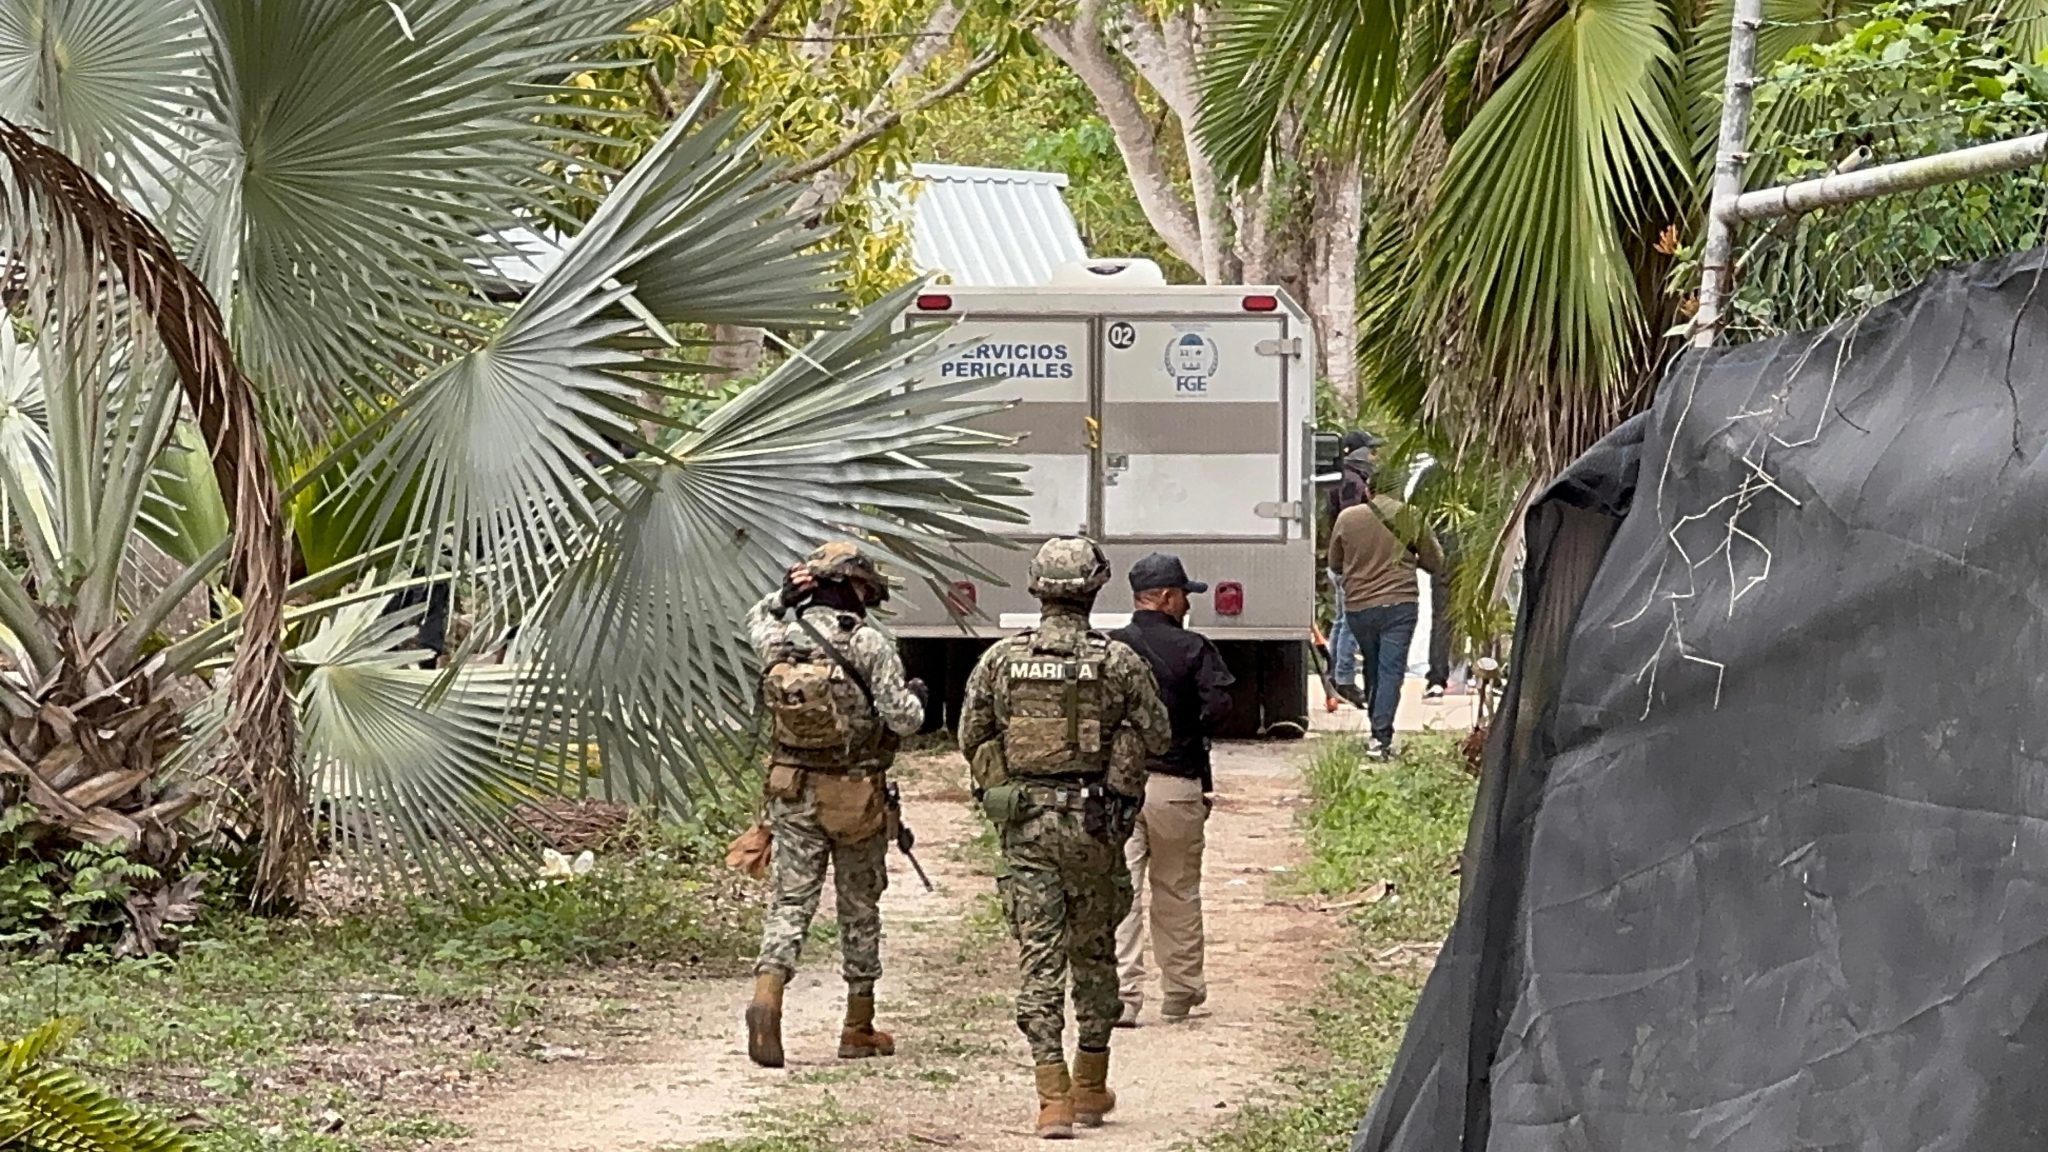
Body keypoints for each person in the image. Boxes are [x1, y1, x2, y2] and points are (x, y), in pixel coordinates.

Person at [959, 536, 1169, 1139]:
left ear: (1036, 588)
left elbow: (972, 736)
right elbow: (1156, 734)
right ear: (1096, 589)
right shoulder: (1121, 662)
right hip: (1095, 825)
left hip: (1026, 825)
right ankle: (1090, 1084)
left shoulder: (1001, 660)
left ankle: (1050, 1095)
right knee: (1094, 951)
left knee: (1039, 959)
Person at [744, 541, 929, 1069]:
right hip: (855, 795)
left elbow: (756, 616)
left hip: (792, 789)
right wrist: (914, 692)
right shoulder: (868, 642)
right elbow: (905, 720)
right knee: (859, 905)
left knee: (790, 902)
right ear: (855, 585)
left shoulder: (780, 638)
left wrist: (782, 597)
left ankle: (767, 997)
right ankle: (857, 1025)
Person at [1108, 553, 1234, 1027]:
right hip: (1176, 787)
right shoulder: (1195, 649)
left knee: (1121, 892)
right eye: (1182, 594)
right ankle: (1179, 991)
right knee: (1176, 890)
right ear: (1165, 597)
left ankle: (1122, 996)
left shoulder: (1112, 649)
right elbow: (1219, 709)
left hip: (1119, 789)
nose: (1186, 603)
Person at [1329, 466, 1444, 759]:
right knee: (1391, 670)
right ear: (1398, 489)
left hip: (1359, 606)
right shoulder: (1411, 516)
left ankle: (1375, 728)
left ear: (1370, 489)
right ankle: (1381, 737)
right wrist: (1409, 559)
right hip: (1400, 605)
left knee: (1371, 664)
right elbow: (1435, 561)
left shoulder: (1348, 517)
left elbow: (1336, 564)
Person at [1323, 431, 1383, 709]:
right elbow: (1351, 523)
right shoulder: (1350, 481)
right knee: (1349, 619)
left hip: (1343, 561)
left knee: (1340, 619)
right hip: (1349, 562)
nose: (1374, 456)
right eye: (1370, 451)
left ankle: (1335, 675)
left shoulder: (1347, 477)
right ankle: (1344, 677)